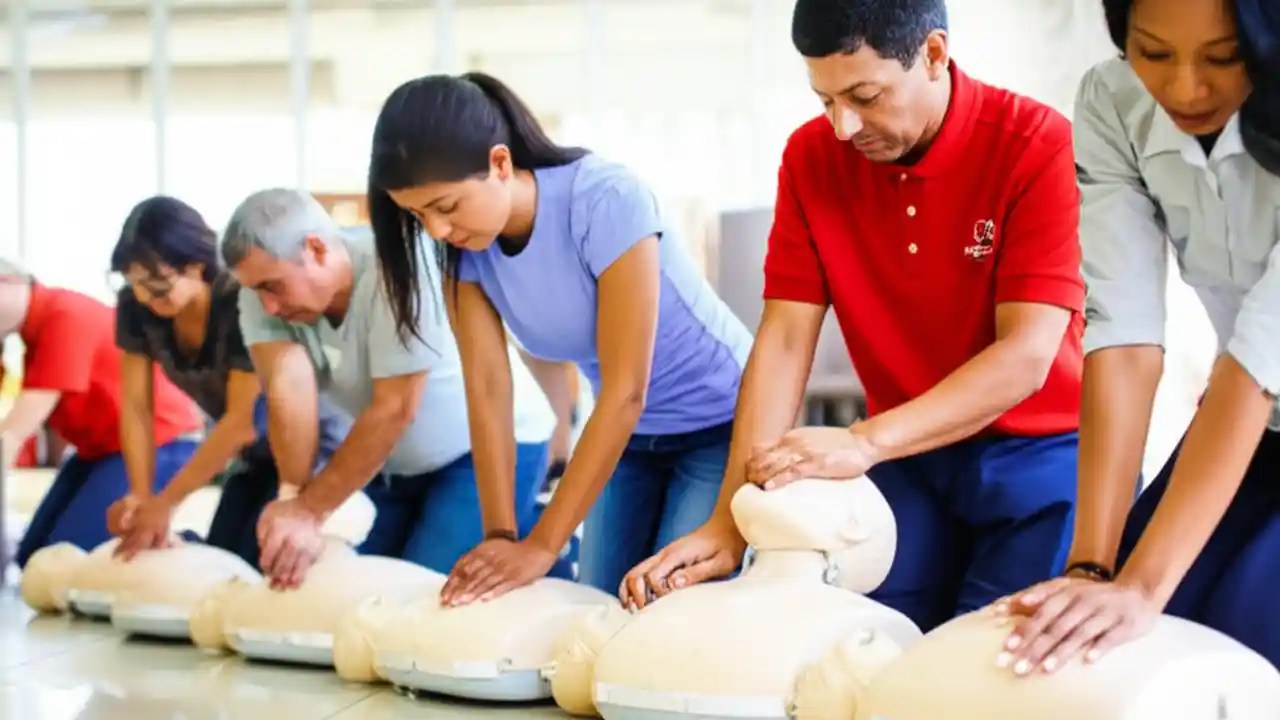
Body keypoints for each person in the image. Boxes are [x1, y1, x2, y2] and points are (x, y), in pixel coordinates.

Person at [620, 0, 1086, 632]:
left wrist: (864, 441)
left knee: (987, 663)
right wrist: (733, 519)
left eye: (865, 96)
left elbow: (1026, 355)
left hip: (1042, 453)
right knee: (865, 643)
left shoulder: (1034, 142)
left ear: (934, 54)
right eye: (825, 100)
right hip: (908, 463)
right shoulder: (811, 158)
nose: (844, 126)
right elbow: (784, 340)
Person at [366, 71, 754, 604]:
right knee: (591, 607)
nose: (436, 231)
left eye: (447, 206)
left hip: (724, 422)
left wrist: (543, 546)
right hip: (630, 439)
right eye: (418, 215)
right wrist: (502, 538)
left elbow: (625, 389)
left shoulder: (605, 199)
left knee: (669, 605)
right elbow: (487, 391)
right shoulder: (464, 251)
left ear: (499, 163)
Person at [997, 0, 1280, 674]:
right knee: (1118, 627)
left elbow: (1257, 358)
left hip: (1254, 384)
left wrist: (1142, 589)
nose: (1185, 89)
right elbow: (1122, 333)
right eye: (1152, 53)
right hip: (1259, 421)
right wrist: (1095, 566)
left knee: (1243, 631)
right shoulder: (1113, 102)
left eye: (1222, 57)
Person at [221, 188, 559, 589]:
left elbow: (394, 408)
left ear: (316, 248)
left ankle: (544, 545)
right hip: (400, 467)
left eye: (273, 287)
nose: (269, 306)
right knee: (364, 596)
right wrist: (291, 497)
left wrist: (309, 512)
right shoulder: (259, 294)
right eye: (256, 290)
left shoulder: (395, 271)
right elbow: (286, 388)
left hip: (490, 447)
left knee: (424, 595)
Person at [106, 195, 350, 565]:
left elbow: (241, 422)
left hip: (311, 444)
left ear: (195, 266)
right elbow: (137, 408)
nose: (145, 297)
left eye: (157, 285)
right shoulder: (138, 307)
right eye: (133, 283)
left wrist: (166, 502)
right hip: (255, 456)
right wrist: (141, 496)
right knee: (221, 560)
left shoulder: (240, 302)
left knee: (264, 560)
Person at [2, 261, 204, 568]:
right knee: (33, 558)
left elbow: (12, 435)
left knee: (64, 560)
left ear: (7, 282)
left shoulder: (65, 315)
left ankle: (186, 549)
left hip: (161, 441)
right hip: (100, 451)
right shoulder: (35, 331)